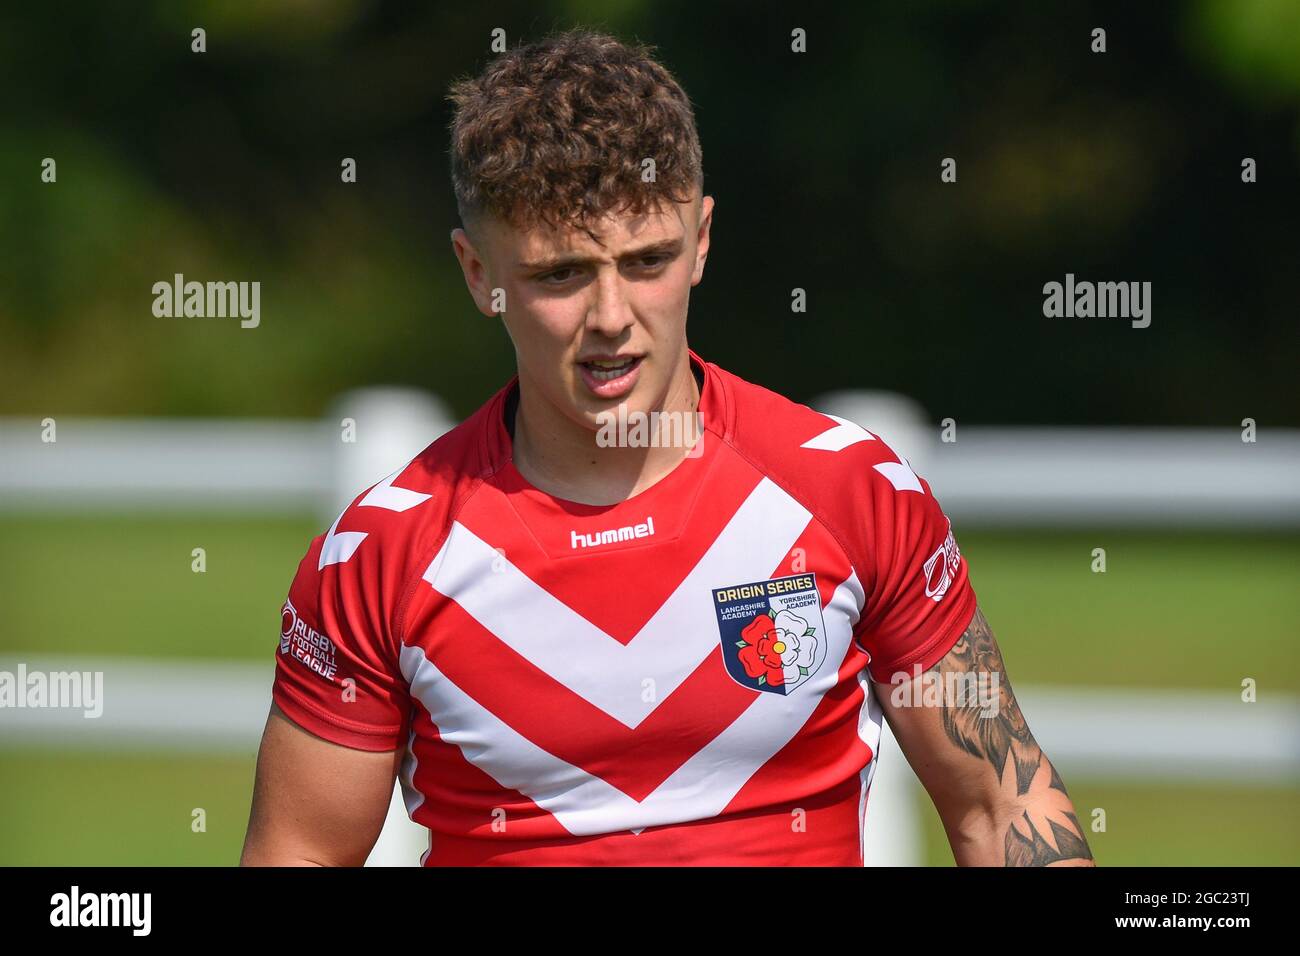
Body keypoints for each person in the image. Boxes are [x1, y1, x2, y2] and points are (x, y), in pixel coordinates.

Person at [241, 28, 1094, 867]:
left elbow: (1001, 807)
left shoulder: (849, 491)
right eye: (560, 274)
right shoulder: (382, 553)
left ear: (704, 240)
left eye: (648, 260)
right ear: (477, 274)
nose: (612, 317)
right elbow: (302, 853)